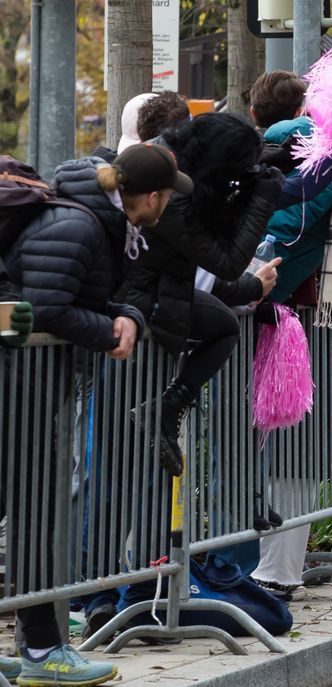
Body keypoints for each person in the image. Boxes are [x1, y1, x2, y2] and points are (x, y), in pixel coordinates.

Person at [0, 149, 184, 686]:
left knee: (28, 510)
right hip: (20, 384)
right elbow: (46, 308)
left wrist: (123, 314)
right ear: (151, 197)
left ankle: (39, 647)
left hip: (26, 382)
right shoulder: (80, 227)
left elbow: (93, 294)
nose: (168, 205)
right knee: (34, 513)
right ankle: (41, 651)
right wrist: (108, 333)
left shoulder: (93, 222)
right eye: (168, 196)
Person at [119, 122, 284, 477]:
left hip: (153, 296)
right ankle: (167, 406)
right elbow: (225, 263)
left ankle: (169, 404)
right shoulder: (168, 196)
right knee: (119, 477)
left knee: (224, 325)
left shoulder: (177, 167)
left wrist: (252, 179)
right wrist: (262, 198)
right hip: (134, 309)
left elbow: (208, 247)